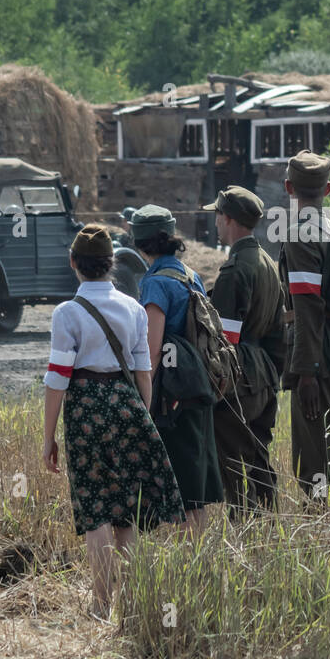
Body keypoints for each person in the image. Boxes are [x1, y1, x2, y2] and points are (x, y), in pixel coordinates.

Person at [41, 222, 185, 618]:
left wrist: (48, 436)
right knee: (127, 511)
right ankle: (133, 605)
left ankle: (101, 607)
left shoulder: (67, 313)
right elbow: (144, 373)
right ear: (112, 264)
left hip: (85, 408)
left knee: (96, 510)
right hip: (128, 406)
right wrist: (144, 419)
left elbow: (57, 379)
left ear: (74, 263)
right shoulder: (134, 308)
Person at [132, 204, 225, 532]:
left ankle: (189, 565)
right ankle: (200, 557)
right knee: (195, 484)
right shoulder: (191, 275)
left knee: (180, 484)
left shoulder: (156, 283)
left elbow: (151, 349)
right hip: (196, 382)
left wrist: (145, 397)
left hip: (172, 391)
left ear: (139, 243)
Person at [278, 150, 330, 505]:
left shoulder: (300, 235)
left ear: (288, 188)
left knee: (316, 462)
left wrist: (306, 372)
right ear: (327, 190)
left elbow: (308, 306)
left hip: (319, 360)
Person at [202, 185, 286, 517]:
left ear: (231, 220)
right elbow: (279, 336)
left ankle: (246, 532)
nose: (216, 223)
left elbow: (224, 344)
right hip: (263, 373)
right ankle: (271, 526)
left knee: (233, 464)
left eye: (218, 216)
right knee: (258, 456)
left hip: (239, 378)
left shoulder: (235, 270)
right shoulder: (267, 262)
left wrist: (217, 389)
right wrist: (270, 377)